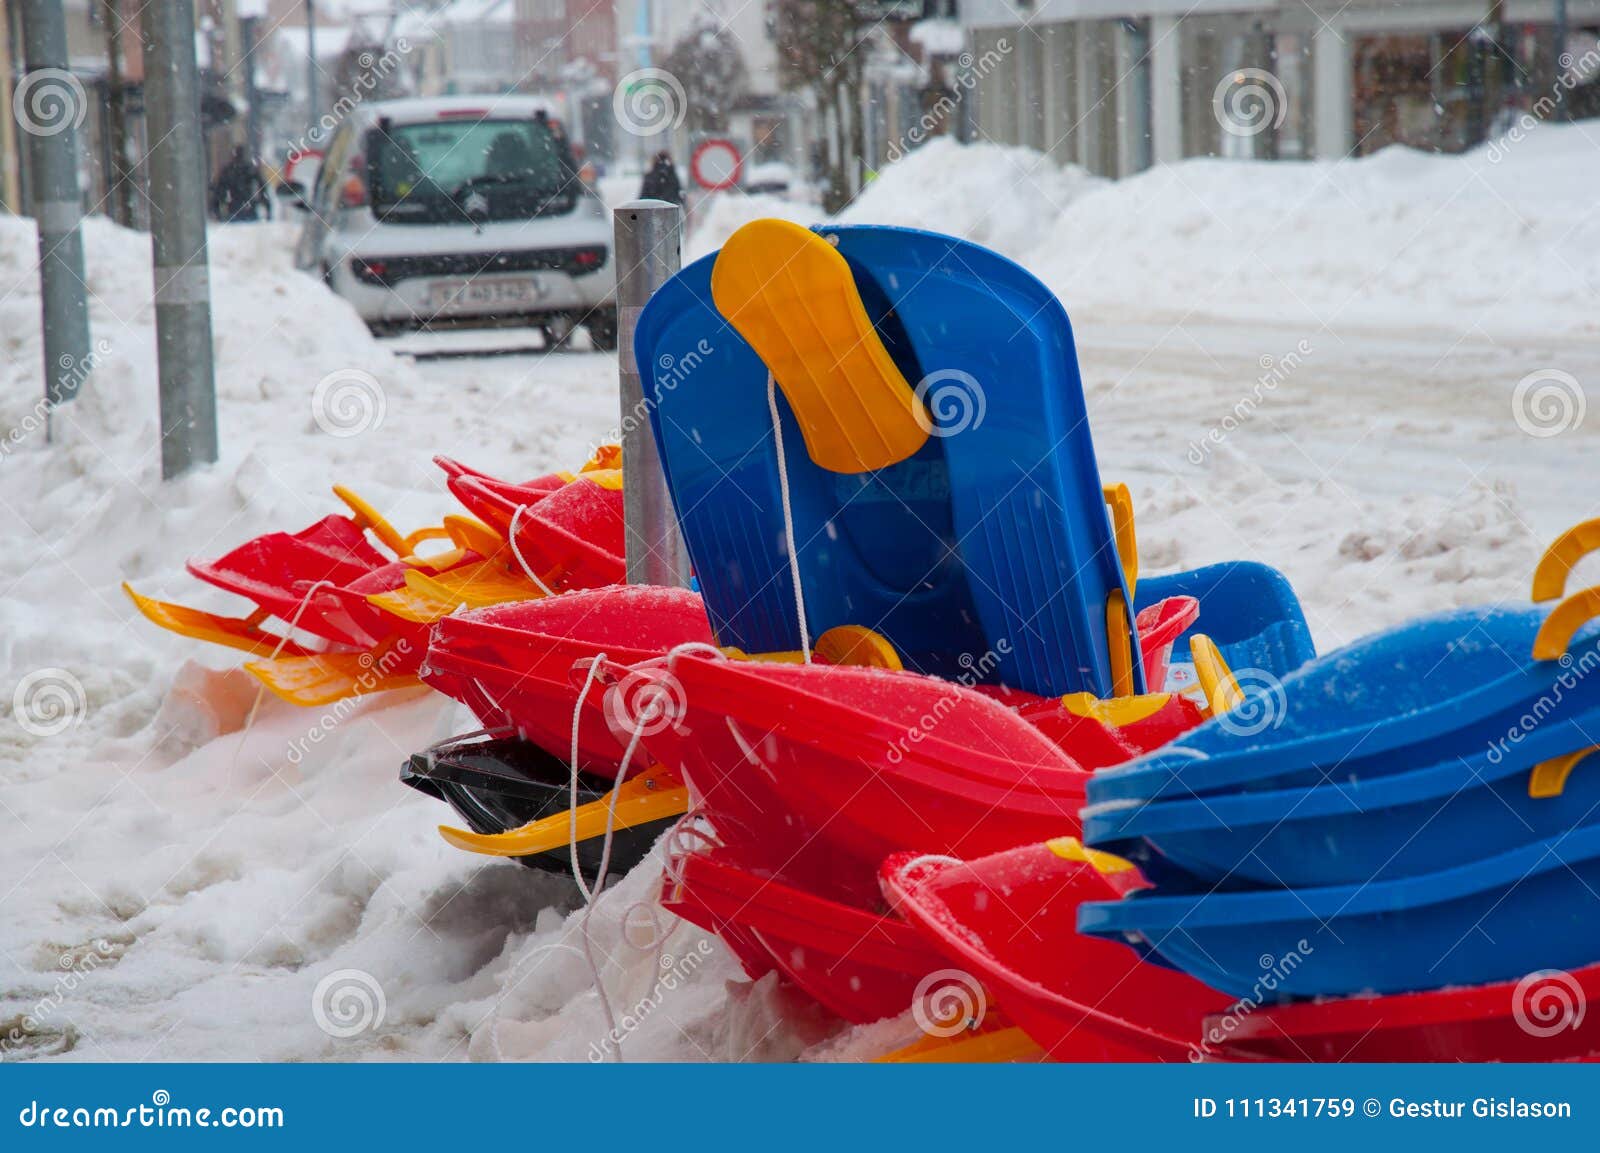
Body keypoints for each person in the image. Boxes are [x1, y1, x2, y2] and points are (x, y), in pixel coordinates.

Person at [210, 145, 268, 222]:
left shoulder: (228, 171)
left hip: (234, 210)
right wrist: (265, 204)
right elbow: (262, 187)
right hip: (248, 209)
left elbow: (219, 192)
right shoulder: (250, 169)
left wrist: (216, 210)